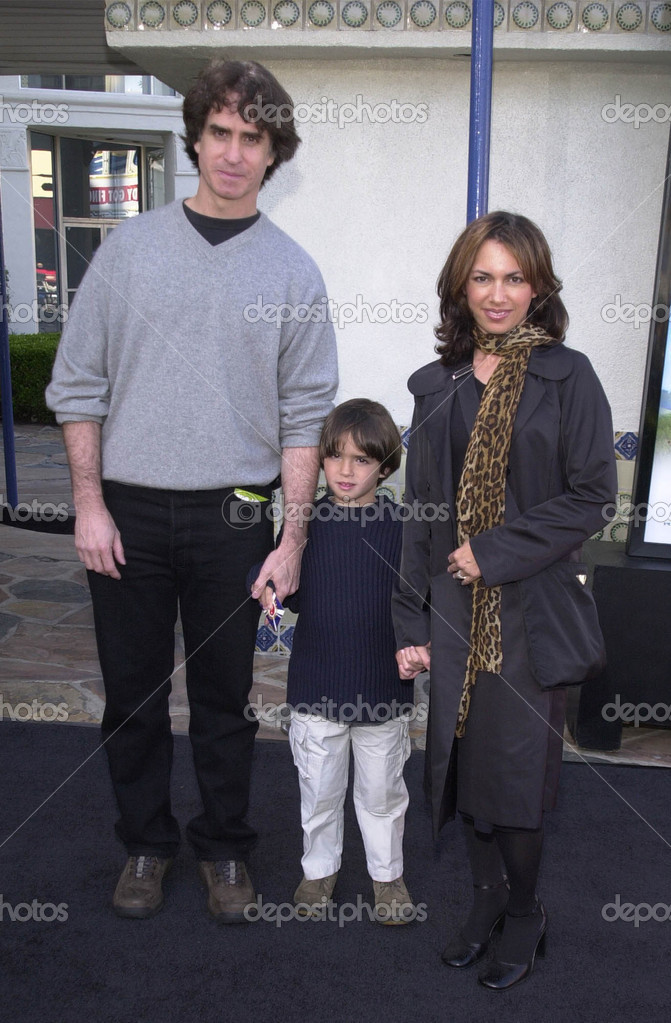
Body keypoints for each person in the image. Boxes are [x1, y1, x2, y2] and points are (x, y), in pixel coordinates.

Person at [45, 59, 338, 923]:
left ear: (272, 153)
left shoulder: (292, 272)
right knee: (130, 694)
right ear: (196, 136)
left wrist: (291, 539)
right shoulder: (128, 252)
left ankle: (224, 848)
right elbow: (78, 386)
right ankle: (144, 840)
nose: (234, 153)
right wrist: (89, 504)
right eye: (220, 132)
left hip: (235, 516)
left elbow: (303, 416)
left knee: (224, 701)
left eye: (253, 137)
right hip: (127, 512)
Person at [393, 212, 616, 986]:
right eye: (482, 276)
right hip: (452, 611)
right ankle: (486, 896)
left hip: (529, 613)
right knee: (459, 768)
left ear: (538, 286)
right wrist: (407, 619)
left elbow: (593, 496)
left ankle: (526, 909)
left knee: (515, 780)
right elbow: (421, 511)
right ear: (461, 284)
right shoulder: (433, 385)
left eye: (513, 278)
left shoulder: (569, 375)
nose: (497, 294)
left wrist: (492, 550)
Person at [253, 399, 415, 924]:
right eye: (335, 457)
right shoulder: (302, 529)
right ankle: (319, 868)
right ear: (319, 460)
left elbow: (418, 604)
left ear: (385, 466)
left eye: (362, 460)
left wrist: (425, 644)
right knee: (318, 788)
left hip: (382, 690)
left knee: (382, 791)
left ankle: (387, 877)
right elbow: (285, 588)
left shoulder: (403, 529)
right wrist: (273, 591)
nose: (346, 471)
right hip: (317, 686)